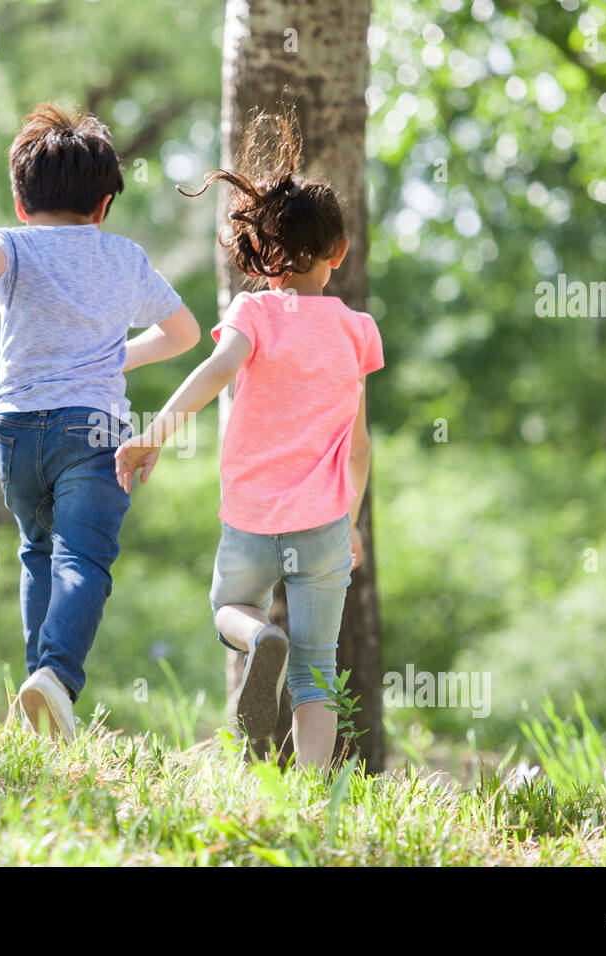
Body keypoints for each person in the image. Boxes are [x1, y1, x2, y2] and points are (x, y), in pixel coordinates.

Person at [114, 112, 384, 770]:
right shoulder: (357, 330)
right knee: (318, 670)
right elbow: (360, 445)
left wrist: (153, 435)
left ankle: (260, 636)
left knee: (228, 606)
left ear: (266, 252)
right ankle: (315, 806)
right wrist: (350, 523)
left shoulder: (254, 311)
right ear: (339, 253)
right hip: (324, 523)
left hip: (252, 515)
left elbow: (214, 374)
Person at [0, 104, 200, 739]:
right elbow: (185, 333)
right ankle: (56, 676)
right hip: (95, 432)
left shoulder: (12, 243)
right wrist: (113, 355)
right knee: (84, 556)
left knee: (38, 552)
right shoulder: (124, 258)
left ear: (20, 201)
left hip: (17, 431)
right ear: (104, 205)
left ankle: (40, 699)